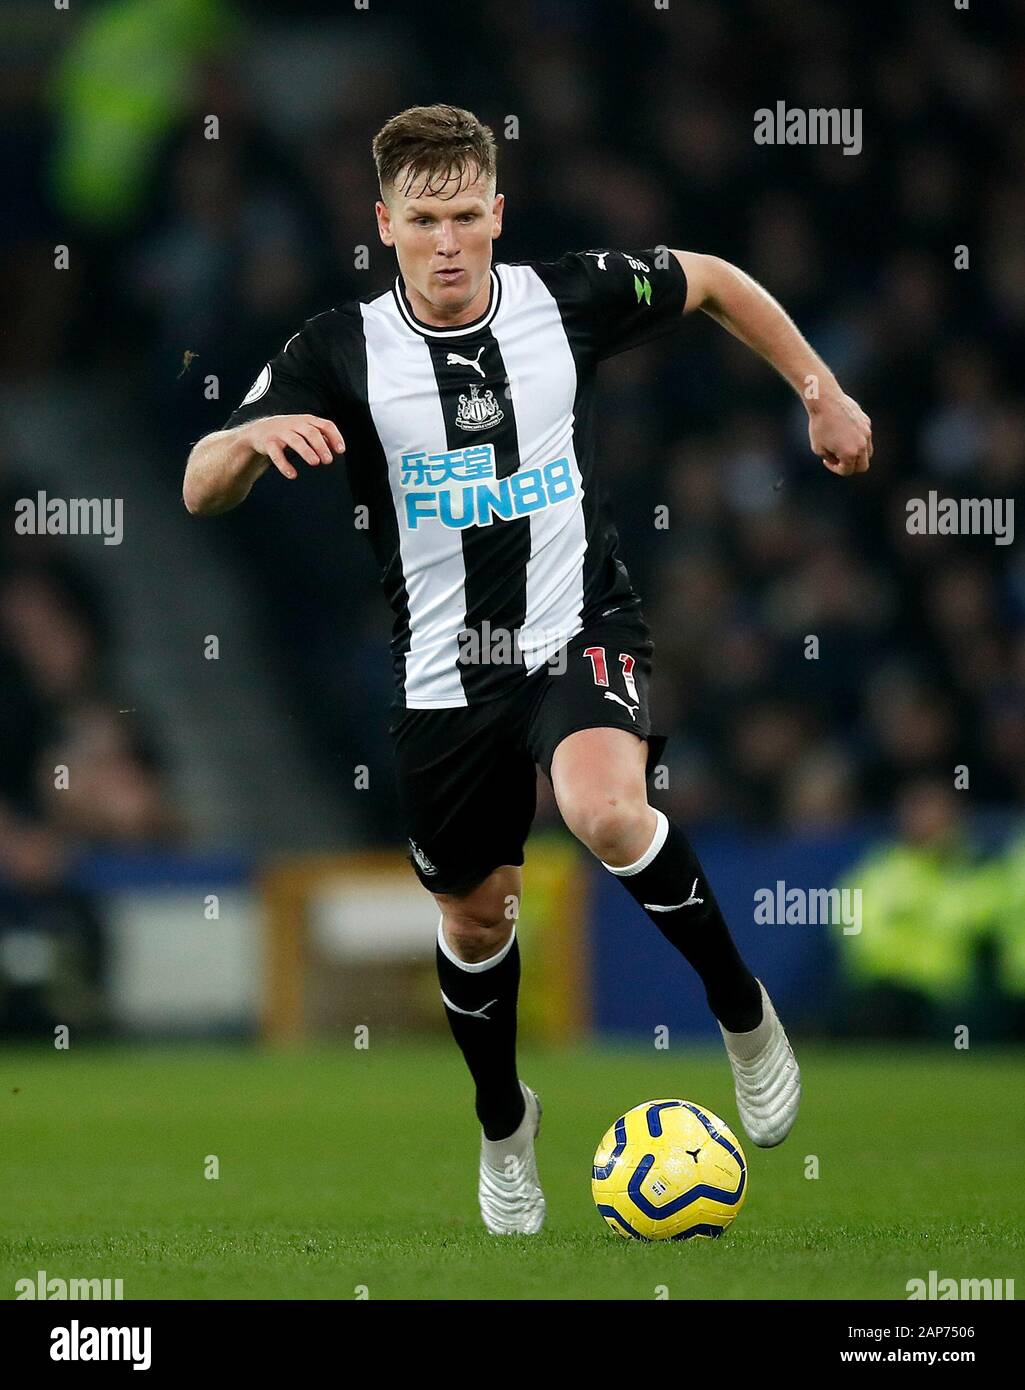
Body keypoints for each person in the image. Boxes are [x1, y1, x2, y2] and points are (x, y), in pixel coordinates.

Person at [183, 104, 872, 1236]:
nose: (446, 241)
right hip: (444, 675)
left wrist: (818, 388)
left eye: (465, 215)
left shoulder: (563, 299)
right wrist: (246, 448)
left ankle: (740, 1011)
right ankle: (505, 1126)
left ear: (497, 214)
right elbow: (199, 482)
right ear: (383, 225)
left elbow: (708, 278)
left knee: (603, 811)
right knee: (473, 917)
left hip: (575, 624)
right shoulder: (335, 350)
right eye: (422, 220)